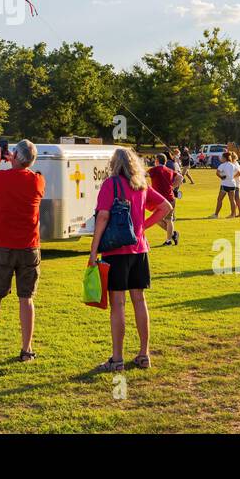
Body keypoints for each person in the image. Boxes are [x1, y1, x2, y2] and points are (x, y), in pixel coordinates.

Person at [89, 147, 172, 373]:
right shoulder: (141, 184)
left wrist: (93, 250)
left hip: (116, 252)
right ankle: (144, 354)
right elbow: (166, 206)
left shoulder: (111, 184)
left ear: (114, 164)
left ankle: (117, 358)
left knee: (118, 304)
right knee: (139, 301)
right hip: (140, 250)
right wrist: (143, 227)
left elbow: (103, 216)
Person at [0, 139, 46, 364]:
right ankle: (27, 350)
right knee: (26, 299)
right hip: (29, 247)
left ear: (14, 157)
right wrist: (17, 161)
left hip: (2, 246)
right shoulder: (37, 181)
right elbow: (28, 174)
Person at [147, 153, 181, 246]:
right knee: (164, 219)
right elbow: (180, 177)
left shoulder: (154, 169)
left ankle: (169, 240)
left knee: (163, 219)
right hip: (170, 198)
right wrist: (173, 186)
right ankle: (173, 234)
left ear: (157, 160)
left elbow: (144, 175)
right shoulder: (169, 170)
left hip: (161, 199)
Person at [213, 150, 240, 218]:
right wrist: (232, 177)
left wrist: (221, 177)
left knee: (219, 199)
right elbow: (239, 173)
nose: (221, 159)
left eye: (222, 157)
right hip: (232, 184)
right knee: (232, 200)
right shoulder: (233, 164)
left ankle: (216, 214)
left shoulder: (222, 165)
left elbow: (217, 173)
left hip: (225, 184)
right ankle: (233, 214)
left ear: (225, 158)